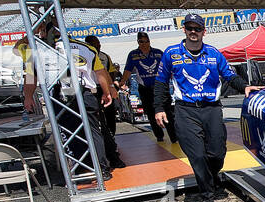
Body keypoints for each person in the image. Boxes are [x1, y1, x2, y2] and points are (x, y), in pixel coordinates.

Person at [154, 14, 247, 202]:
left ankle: (211, 178)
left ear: (204, 31)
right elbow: (161, 82)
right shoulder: (171, 53)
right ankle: (206, 194)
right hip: (185, 110)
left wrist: (244, 87)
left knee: (217, 153)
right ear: (184, 30)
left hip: (211, 109)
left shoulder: (214, 53)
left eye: (197, 28)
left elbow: (229, 75)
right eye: (190, 28)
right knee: (196, 155)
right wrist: (159, 108)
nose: (193, 32)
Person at [17, 23, 117, 177]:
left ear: (43, 34)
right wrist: (106, 91)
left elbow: (30, 75)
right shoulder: (85, 47)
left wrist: (28, 97)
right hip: (85, 92)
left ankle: (79, 166)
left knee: (68, 131)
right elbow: (100, 72)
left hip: (59, 94)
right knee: (93, 130)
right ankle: (102, 168)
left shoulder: (34, 51)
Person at [124, 32, 175, 143]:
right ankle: (159, 136)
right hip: (145, 88)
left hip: (160, 87)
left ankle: (174, 137)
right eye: (141, 41)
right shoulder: (133, 55)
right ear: (138, 42)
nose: (144, 44)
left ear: (149, 41)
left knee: (167, 111)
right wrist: (122, 82)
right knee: (151, 113)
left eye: (146, 41)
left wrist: (172, 80)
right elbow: (127, 70)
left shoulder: (158, 53)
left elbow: (168, 68)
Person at [84, 36, 124, 168]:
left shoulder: (104, 56)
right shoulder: (84, 53)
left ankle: (112, 148)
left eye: (98, 44)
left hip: (104, 90)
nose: (97, 46)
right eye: (93, 44)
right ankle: (104, 157)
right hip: (89, 92)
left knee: (109, 118)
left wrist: (111, 88)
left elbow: (108, 72)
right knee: (97, 126)